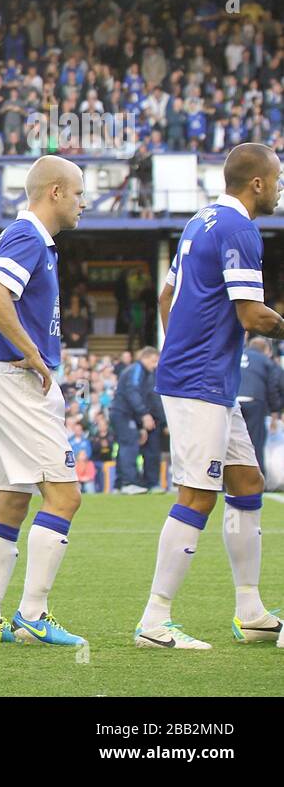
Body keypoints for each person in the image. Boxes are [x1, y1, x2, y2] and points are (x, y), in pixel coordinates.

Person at [136, 143, 284, 650]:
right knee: (198, 494)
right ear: (257, 183)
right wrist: (193, 357)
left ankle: (251, 610)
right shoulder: (241, 228)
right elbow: (252, 315)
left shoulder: (201, 219)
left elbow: (166, 296)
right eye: (277, 178)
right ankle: (154, 620)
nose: (280, 187)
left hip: (206, 378)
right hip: (200, 380)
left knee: (247, 481)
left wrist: (181, 347)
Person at [0, 155, 88, 646]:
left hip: (4, 379)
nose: (84, 204)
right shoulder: (26, 237)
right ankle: (33, 615)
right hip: (20, 384)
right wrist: (33, 353)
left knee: (13, 500)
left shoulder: (22, 238)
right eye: (79, 194)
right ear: (56, 191)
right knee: (64, 495)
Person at [110, 346, 164, 493]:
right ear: (144, 358)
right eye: (153, 361)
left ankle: (120, 483)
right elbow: (132, 391)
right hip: (123, 413)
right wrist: (144, 414)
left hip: (127, 413)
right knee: (129, 445)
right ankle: (129, 482)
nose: (155, 365)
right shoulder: (137, 370)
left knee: (126, 445)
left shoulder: (144, 373)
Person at [238, 337, 284, 471]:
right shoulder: (266, 361)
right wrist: (275, 411)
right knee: (255, 443)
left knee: (230, 442)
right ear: (266, 350)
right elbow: (274, 386)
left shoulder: (237, 355)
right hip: (254, 400)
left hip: (232, 401)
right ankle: (257, 479)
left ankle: (225, 482)